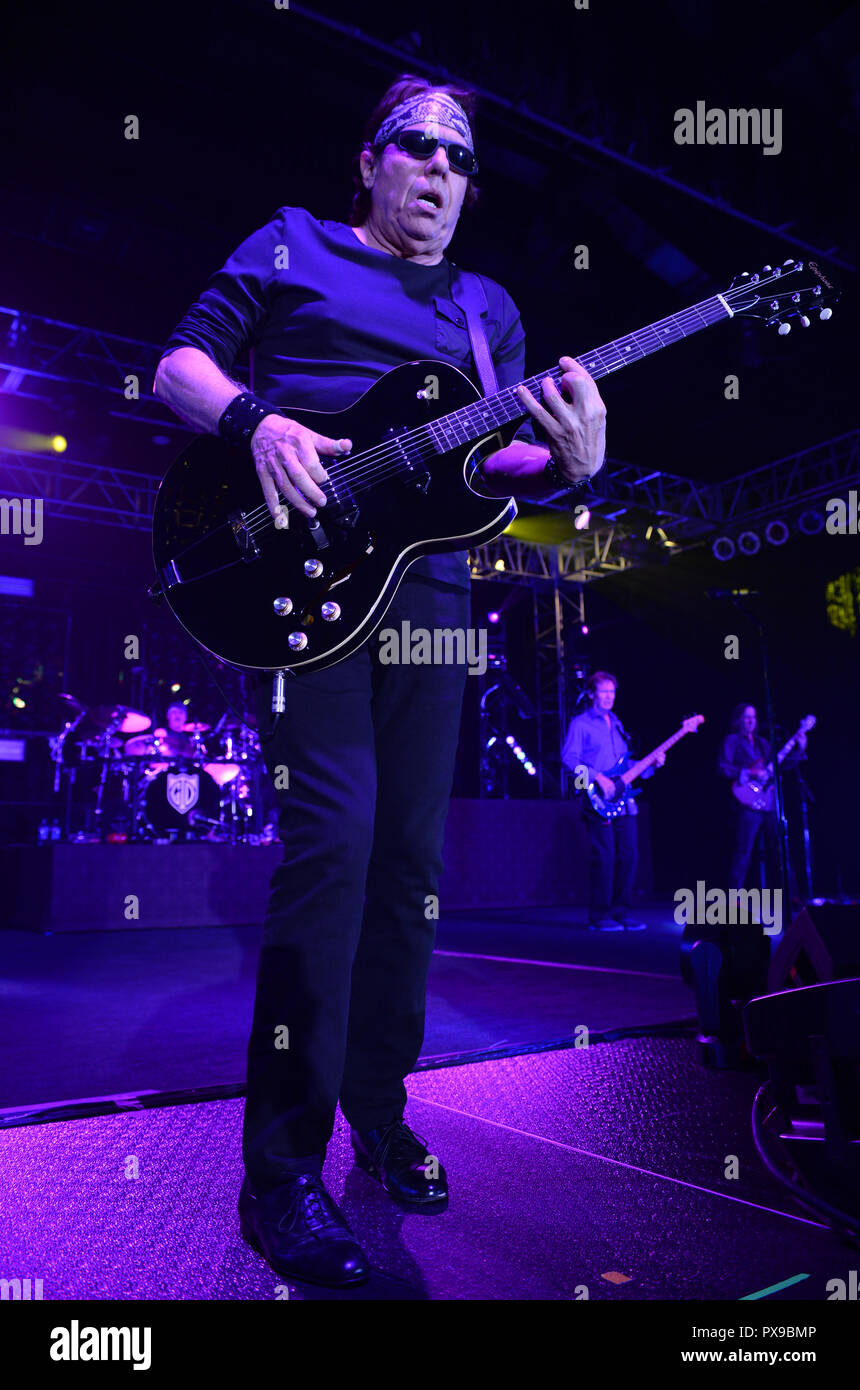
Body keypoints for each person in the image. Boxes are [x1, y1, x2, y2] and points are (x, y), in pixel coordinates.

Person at [153, 73, 606, 1288]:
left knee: (409, 865)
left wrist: (565, 463)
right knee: (334, 845)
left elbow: (497, 459)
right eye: (418, 147)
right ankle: (280, 1167)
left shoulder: (484, 310)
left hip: (431, 598)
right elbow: (176, 366)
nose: (441, 174)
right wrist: (254, 420)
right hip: (300, 584)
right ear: (370, 161)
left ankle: (378, 1103)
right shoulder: (292, 240)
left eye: (461, 159)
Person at [562, 670, 663, 931]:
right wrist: (598, 778)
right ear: (592, 694)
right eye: (604, 692)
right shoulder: (580, 724)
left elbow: (624, 766)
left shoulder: (616, 723)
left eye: (612, 692)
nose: (609, 697)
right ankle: (600, 916)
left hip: (624, 800)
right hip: (597, 797)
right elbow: (569, 759)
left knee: (629, 855)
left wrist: (650, 765)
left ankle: (622, 911)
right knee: (604, 856)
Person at [718, 703, 807, 890]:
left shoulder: (763, 743)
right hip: (747, 802)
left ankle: (791, 895)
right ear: (738, 721)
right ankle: (734, 897)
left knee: (781, 848)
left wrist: (799, 749)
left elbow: (780, 764)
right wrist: (750, 773)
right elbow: (723, 767)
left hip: (768, 801)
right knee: (743, 851)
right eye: (746, 717)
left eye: (753, 717)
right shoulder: (732, 741)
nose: (751, 721)